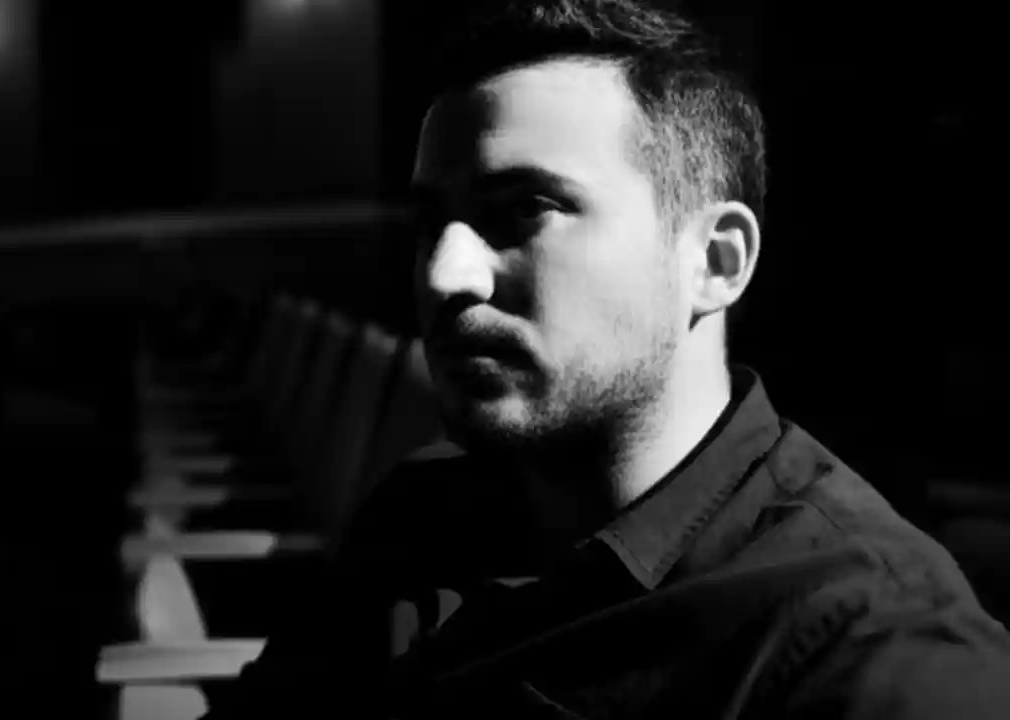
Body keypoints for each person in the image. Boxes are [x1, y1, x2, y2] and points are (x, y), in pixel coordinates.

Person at [203, 1, 1010, 717]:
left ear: (716, 261)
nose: (445, 274)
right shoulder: (425, 505)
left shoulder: (875, 650)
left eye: (523, 210)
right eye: (429, 224)